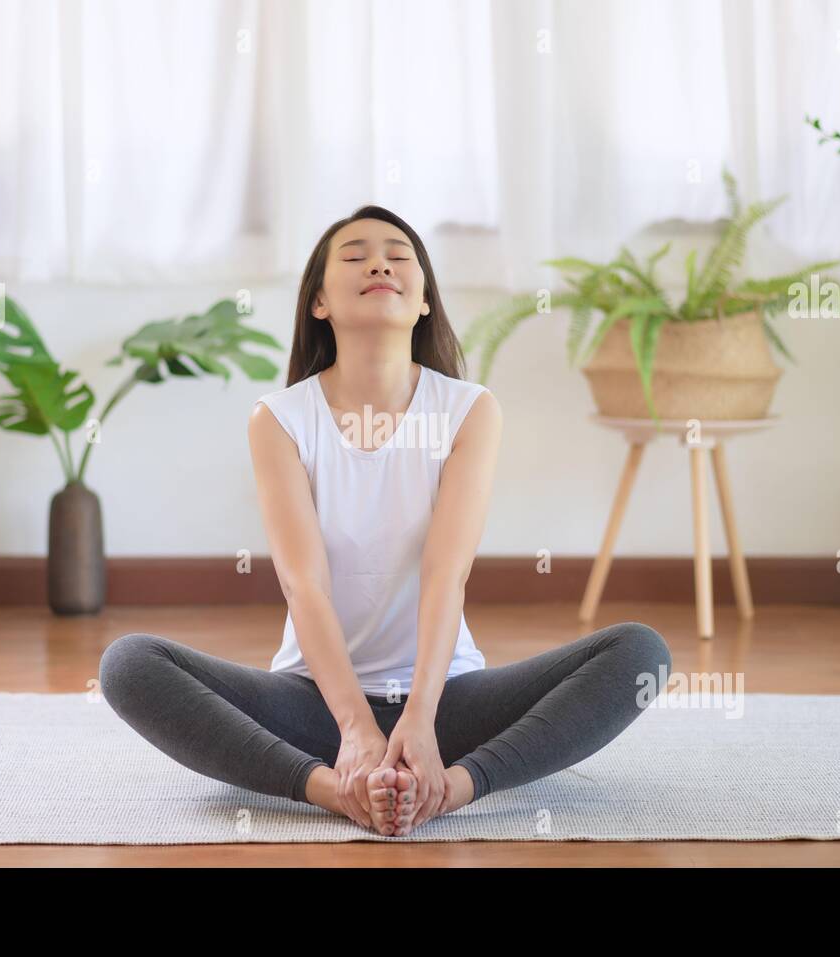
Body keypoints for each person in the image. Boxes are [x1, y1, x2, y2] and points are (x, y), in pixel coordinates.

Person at [99, 204, 672, 837]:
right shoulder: (280, 419)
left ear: (424, 299)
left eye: (399, 256)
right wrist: (355, 732)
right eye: (354, 255)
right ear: (319, 302)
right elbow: (304, 585)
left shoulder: (469, 411)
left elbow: (444, 575)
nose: (379, 263)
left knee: (641, 654)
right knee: (129, 664)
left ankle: (454, 787)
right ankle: (333, 790)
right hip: (314, 703)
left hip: (446, 700)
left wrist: (420, 722)